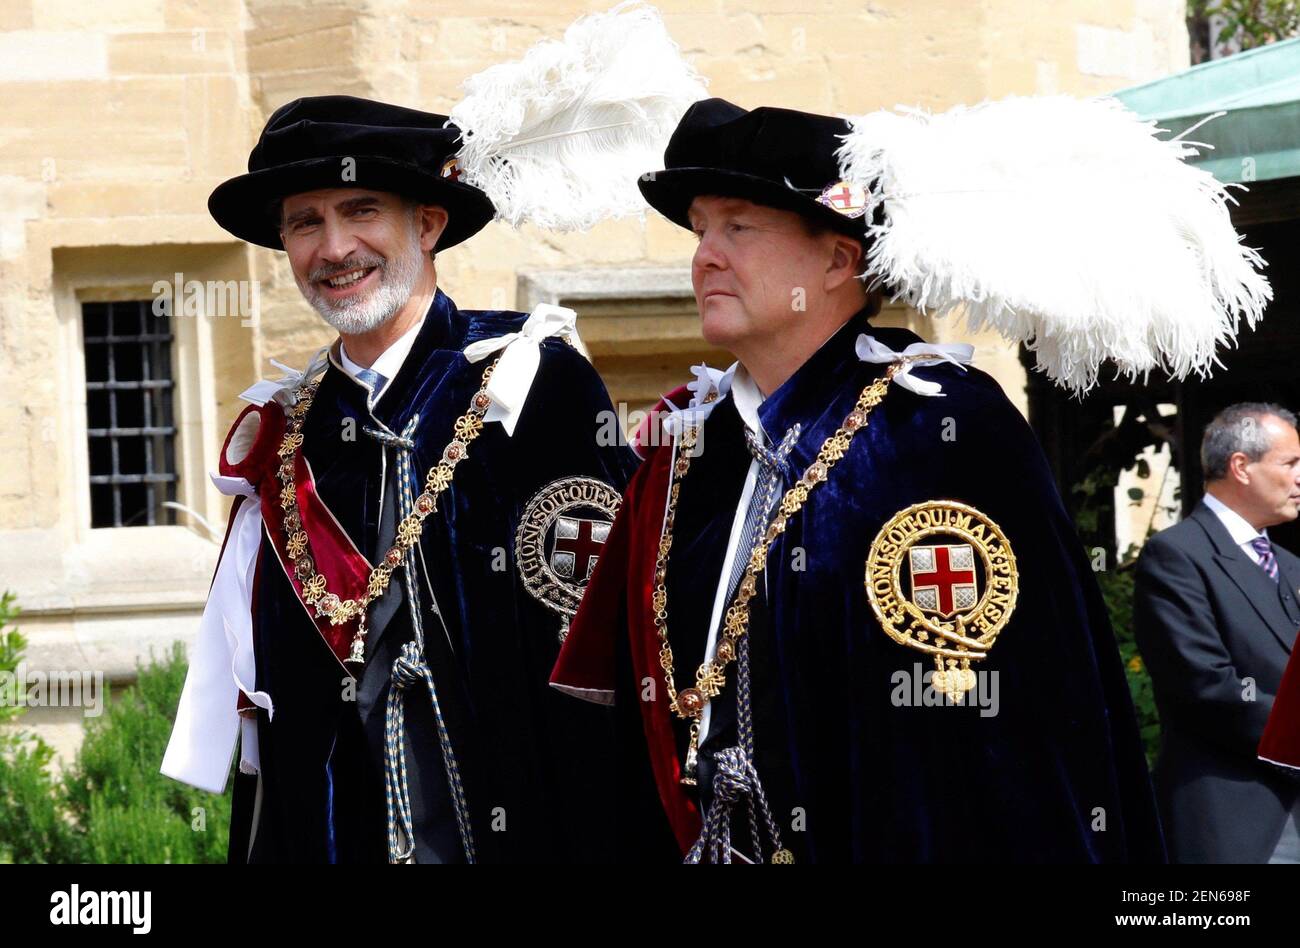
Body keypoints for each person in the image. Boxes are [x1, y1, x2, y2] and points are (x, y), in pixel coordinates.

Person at [551, 98, 1167, 863]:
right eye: (701, 228)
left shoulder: (940, 433)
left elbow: (1002, 740)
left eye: (738, 226)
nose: (705, 253)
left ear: (839, 261)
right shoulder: (685, 447)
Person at [162, 95, 637, 863]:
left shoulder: (529, 387)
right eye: (305, 222)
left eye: (361, 211)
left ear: (427, 224)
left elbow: (595, 662)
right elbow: (269, 717)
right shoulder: (284, 436)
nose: (334, 247)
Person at [1135, 403, 1300, 863]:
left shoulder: (1291, 567)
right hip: (1237, 818)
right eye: (1290, 463)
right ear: (1241, 467)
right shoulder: (1177, 556)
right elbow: (1206, 688)